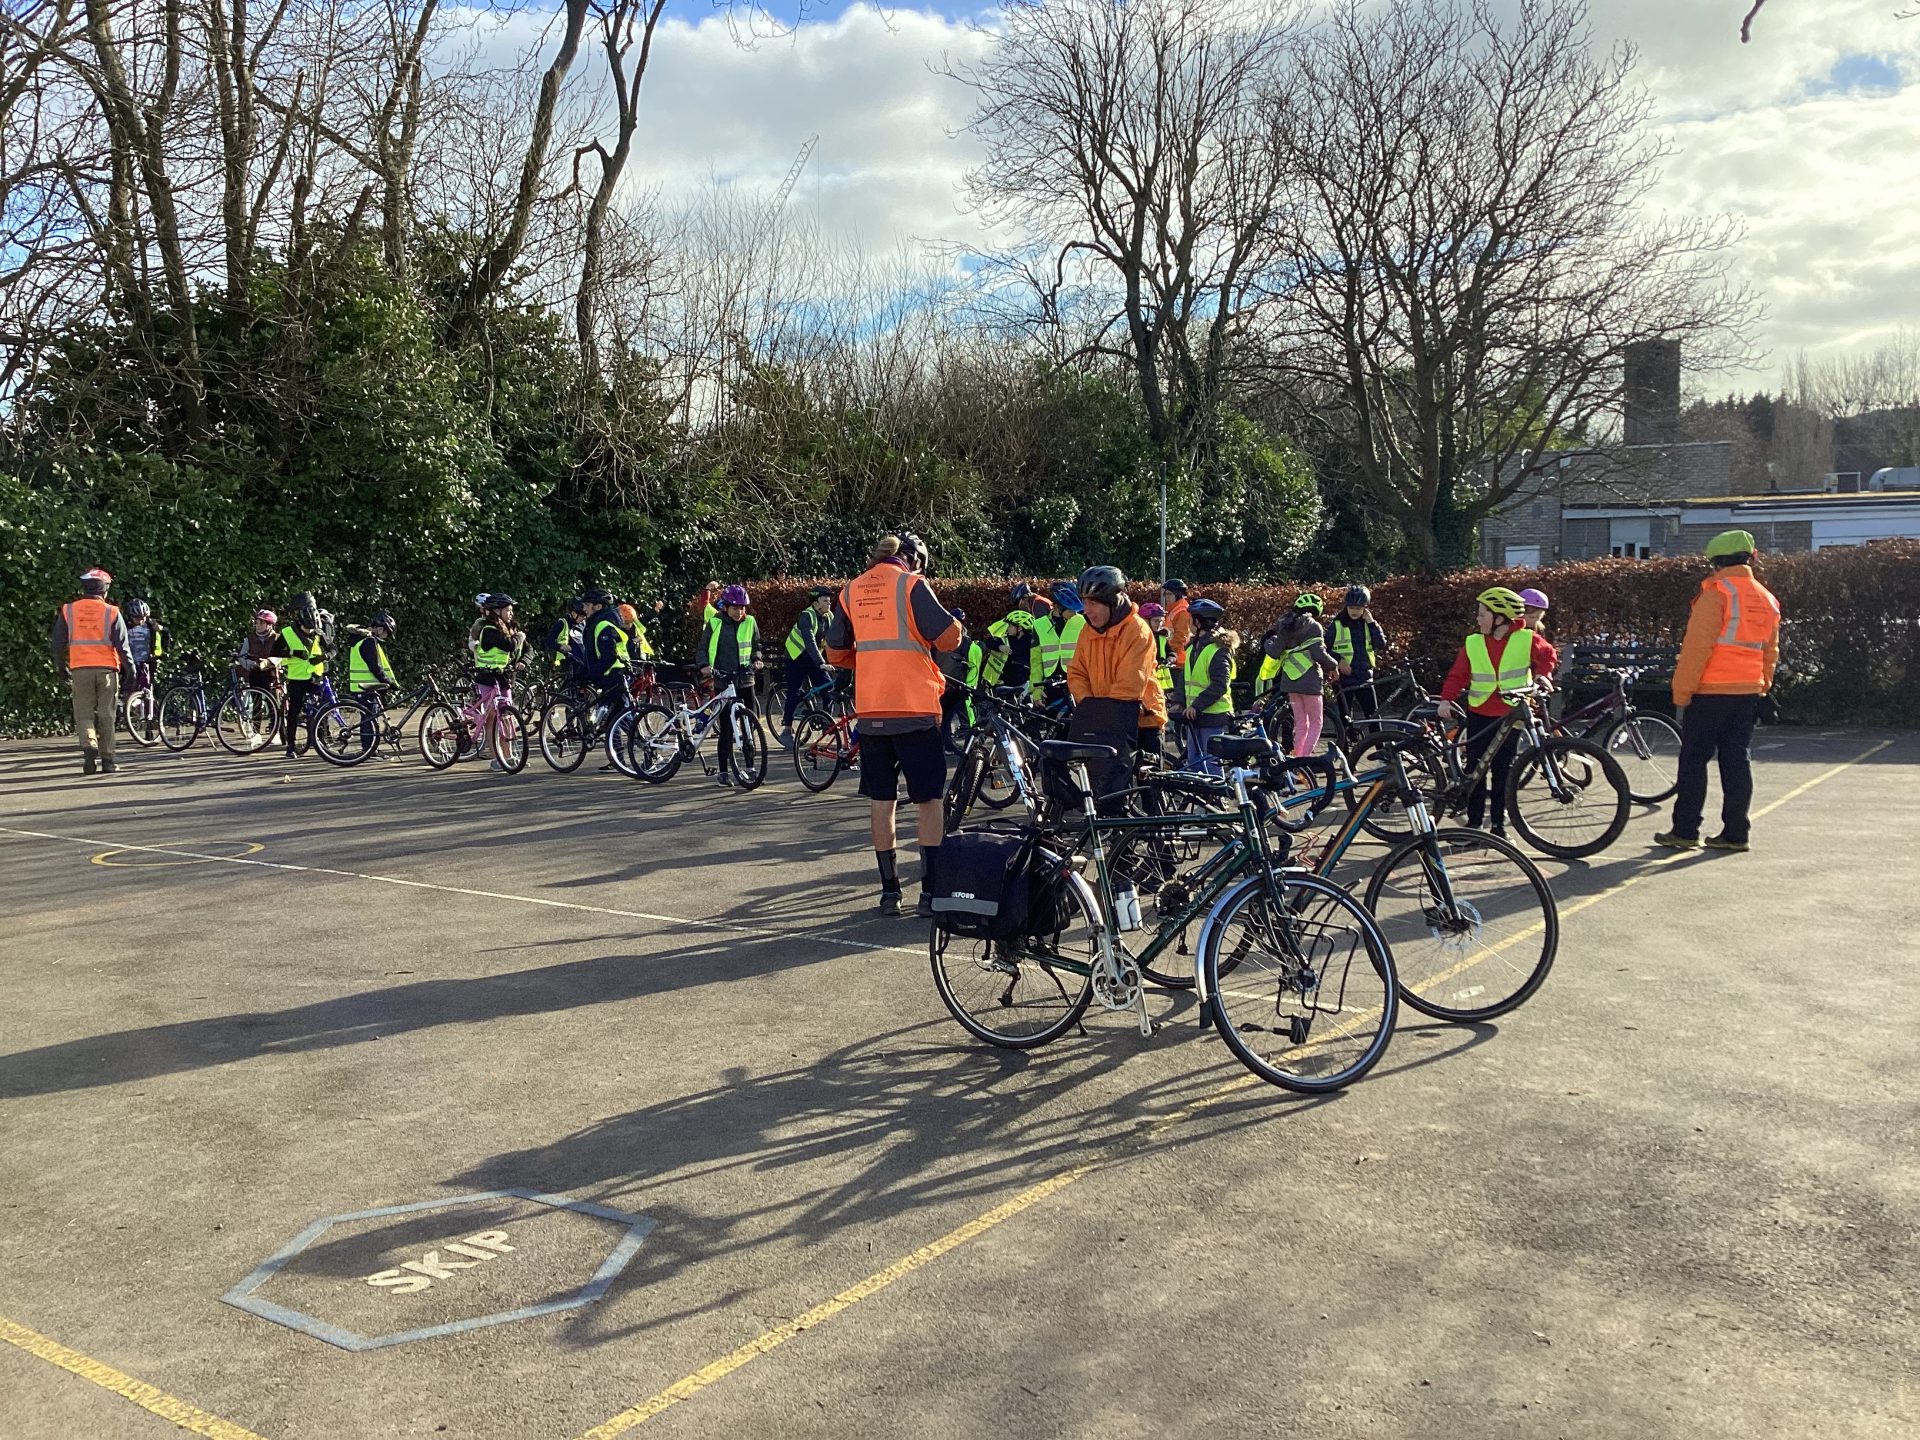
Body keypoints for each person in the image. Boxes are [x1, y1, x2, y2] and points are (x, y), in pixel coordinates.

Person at [824, 531, 962, 917]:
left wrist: (868, 664)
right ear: (914, 560)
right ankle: (930, 892)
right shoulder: (912, 584)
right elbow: (949, 637)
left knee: (882, 800)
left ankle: (889, 892)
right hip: (914, 708)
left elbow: (834, 652)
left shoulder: (850, 591)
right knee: (928, 801)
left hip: (871, 712)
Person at [1655, 530, 1782, 853]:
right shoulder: (1767, 598)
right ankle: (1736, 833)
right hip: (1747, 691)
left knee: (1694, 761)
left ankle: (1685, 831)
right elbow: (1770, 650)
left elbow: (1697, 649)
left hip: (1710, 691)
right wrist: (1763, 684)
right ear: (1752, 558)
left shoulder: (1716, 593)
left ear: (1714, 563)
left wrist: (1681, 693)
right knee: (1737, 761)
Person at [1437, 586, 1558, 838]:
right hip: (1480, 713)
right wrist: (1446, 700)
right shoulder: (1473, 642)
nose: (1477, 619)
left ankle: (1498, 826)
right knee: (1476, 768)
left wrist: (1543, 675)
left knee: (1504, 770)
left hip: (1510, 713)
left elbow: (1548, 655)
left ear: (1500, 618)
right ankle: (1474, 823)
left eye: (1482, 614)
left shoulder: (1526, 638)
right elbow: (1457, 674)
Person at [1065, 566, 1159, 809]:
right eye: (1084, 603)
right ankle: (1120, 842)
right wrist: (1089, 707)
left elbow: (1129, 685)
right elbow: (1076, 672)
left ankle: (1161, 843)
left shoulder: (1137, 630)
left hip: (1141, 719)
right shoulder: (1088, 630)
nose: (1086, 611)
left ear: (1112, 601)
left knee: (1150, 790)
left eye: (1093, 604)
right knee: (1108, 792)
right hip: (1105, 718)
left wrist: (1097, 712)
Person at [50, 567, 133, 774]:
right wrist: (131, 670)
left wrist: (62, 668)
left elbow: (58, 644)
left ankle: (89, 748)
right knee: (107, 714)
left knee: (84, 713)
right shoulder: (112, 612)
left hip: (80, 669)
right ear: (104, 590)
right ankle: (108, 760)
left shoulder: (68, 610)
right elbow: (123, 646)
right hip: (107, 670)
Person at [1259, 594, 1339, 758]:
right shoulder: (1313, 626)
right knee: (1316, 723)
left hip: (1290, 681)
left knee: (1301, 722)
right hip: (1310, 681)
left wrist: (1267, 641)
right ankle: (1304, 759)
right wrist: (1334, 665)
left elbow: (1274, 652)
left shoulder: (1284, 625)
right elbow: (1318, 654)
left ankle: (1297, 758)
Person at [702, 584, 762, 787]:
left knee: (749, 726)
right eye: (735, 608)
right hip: (724, 680)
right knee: (727, 728)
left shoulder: (750, 622)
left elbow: (756, 646)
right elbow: (703, 647)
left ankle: (751, 768)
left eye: (743, 608)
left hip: (745, 679)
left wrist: (757, 659)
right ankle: (723, 771)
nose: (740, 612)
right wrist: (704, 666)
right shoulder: (715, 623)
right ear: (725, 607)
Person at [1180, 598, 1236, 774]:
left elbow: (1220, 684)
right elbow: (1185, 678)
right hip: (1195, 715)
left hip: (1213, 715)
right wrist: (1179, 700)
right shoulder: (1192, 647)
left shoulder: (1218, 650)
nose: (1188, 623)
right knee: (1194, 763)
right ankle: (1201, 800)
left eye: (1191, 619)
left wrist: (1196, 705)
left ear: (1198, 622)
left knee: (1211, 763)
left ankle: (1218, 800)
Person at [474, 596, 526, 771]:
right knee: (492, 718)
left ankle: (509, 755)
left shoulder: (508, 628)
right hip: (487, 677)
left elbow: (524, 647)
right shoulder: (488, 630)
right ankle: (496, 758)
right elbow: (509, 645)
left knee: (506, 715)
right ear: (497, 611)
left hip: (502, 676)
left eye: (511, 610)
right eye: (508, 610)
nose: (511, 613)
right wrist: (519, 636)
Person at [780, 586, 836, 744]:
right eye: (825, 601)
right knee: (794, 691)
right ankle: (787, 729)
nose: (828, 603)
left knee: (829, 688)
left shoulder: (828, 616)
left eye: (829, 601)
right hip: (795, 656)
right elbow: (809, 641)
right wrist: (822, 663)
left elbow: (834, 640)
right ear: (816, 602)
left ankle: (826, 723)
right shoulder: (806, 616)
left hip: (812, 657)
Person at [277, 593, 328, 760]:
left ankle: (321, 740)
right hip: (297, 678)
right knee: (294, 712)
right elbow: (275, 653)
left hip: (315, 676)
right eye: (308, 629)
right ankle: (290, 746)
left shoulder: (318, 631)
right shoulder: (287, 633)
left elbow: (333, 648)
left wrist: (325, 657)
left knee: (322, 709)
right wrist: (293, 653)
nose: (311, 632)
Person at [1327, 585, 1388, 721]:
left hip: (1364, 677)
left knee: (1373, 716)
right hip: (1344, 678)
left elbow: (1381, 644)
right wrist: (1338, 660)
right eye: (1351, 608)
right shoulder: (1337, 624)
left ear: (1365, 608)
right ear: (1346, 607)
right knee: (1345, 718)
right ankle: (1344, 742)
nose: (1354, 611)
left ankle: (1379, 742)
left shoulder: (1369, 624)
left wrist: (1371, 623)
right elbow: (1325, 648)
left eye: (1358, 608)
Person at [345, 609, 399, 751]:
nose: (386, 637)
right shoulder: (369, 641)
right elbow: (375, 666)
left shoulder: (360, 639)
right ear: (381, 629)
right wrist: (389, 682)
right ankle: (368, 750)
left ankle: (369, 749)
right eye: (387, 633)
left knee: (368, 718)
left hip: (360, 686)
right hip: (367, 686)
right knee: (369, 720)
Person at [1030, 581, 1086, 700]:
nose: (1074, 614)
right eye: (1071, 610)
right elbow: (1036, 662)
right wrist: (1036, 689)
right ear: (1056, 607)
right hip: (1049, 684)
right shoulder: (1039, 625)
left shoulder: (1083, 623)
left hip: (1077, 682)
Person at [983, 585, 1044, 690]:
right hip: (1006, 682)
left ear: (1019, 629)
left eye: (1010, 626)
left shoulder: (1031, 641)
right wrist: (1000, 646)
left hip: (1024, 682)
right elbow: (989, 640)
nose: (1008, 629)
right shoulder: (1009, 638)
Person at [124, 599, 166, 696]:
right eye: (137, 618)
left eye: (143, 618)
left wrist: (162, 630)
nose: (141, 621)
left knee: (146, 689)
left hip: (146, 663)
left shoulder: (150, 626)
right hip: (128, 663)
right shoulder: (125, 626)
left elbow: (165, 641)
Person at [235, 609, 281, 693]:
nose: (258, 625)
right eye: (256, 623)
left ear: (269, 625)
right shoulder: (249, 639)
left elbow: (280, 656)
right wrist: (251, 664)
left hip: (272, 673)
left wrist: (268, 662)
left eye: (261, 623)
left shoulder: (277, 638)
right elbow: (242, 656)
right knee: (256, 699)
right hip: (254, 672)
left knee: (273, 701)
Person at [1162, 578, 1192, 694]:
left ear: (1178, 594)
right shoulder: (1174, 609)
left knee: (1176, 695)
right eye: (1165, 594)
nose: (1166, 597)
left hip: (1178, 660)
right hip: (1175, 659)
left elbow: (1180, 637)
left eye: (1169, 594)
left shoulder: (1182, 611)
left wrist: (1171, 654)